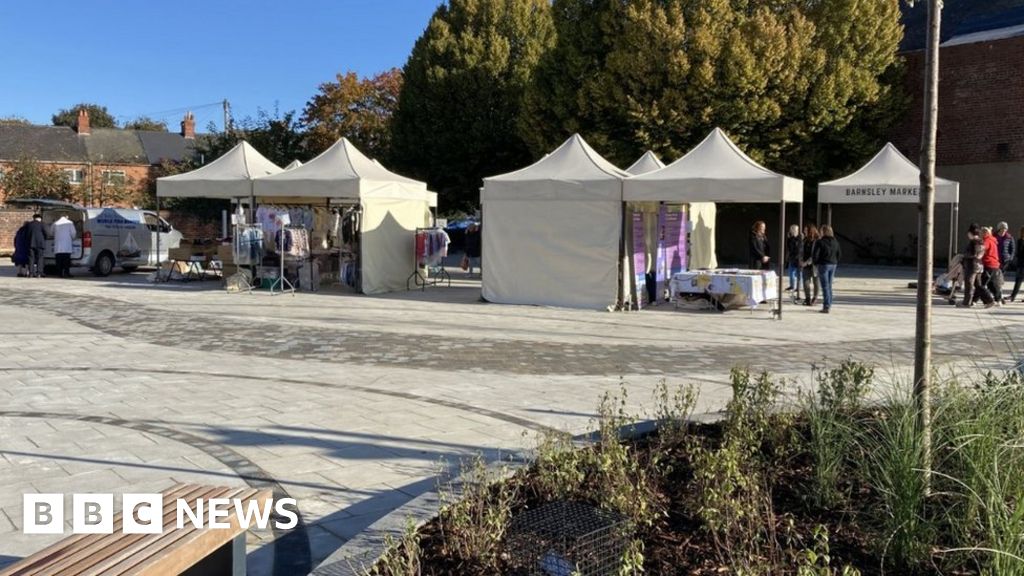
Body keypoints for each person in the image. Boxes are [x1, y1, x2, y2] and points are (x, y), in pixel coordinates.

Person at [959, 224, 996, 308]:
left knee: (969, 284)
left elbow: (974, 254)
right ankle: (989, 300)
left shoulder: (974, 242)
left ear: (970, 233)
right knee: (978, 285)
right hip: (979, 265)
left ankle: (966, 302)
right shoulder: (981, 241)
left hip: (972, 266)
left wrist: (964, 255)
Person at [813, 224, 841, 313]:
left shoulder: (820, 242)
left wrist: (816, 263)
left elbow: (815, 254)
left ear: (823, 232)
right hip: (833, 264)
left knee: (825, 286)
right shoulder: (835, 241)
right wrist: (835, 261)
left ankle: (826, 306)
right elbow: (839, 253)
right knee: (829, 285)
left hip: (823, 264)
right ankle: (829, 303)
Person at [980, 226, 1003, 305]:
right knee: (991, 284)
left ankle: (985, 300)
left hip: (988, 264)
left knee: (981, 284)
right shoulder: (993, 240)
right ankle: (998, 299)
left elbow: (982, 249)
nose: (980, 234)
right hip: (995, 264)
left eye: (981, 232)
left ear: (985, 233)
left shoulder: (986, 240)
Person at [801, 223, 820, 307]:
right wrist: (801, 260)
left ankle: (815, 298)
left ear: (810, 231)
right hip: (805, 265)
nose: (804, 231)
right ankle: (807, 298)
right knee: (806, 282)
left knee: (816, 282)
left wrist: (807, 262)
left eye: (805, 230)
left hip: (815, 265)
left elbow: (816, 255)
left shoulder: (817, 241)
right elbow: (801, 252)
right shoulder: (804, 240)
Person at [996, 221, 1015, 303]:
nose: (1004, 230)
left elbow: (1013, 249)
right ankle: (997, 294)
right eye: (1002, 228)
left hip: (1005, 261)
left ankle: (999, 294)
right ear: (999, 229)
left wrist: (1010, 258)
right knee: (996, 278)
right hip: (996, 260)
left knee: (1000, 278)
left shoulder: (1009, 238)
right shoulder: (994, 237)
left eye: (1005, 229)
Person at [25, 213, 47, 278]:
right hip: (40, 244)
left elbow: (26, 234)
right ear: (39, 218)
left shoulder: (29, 224)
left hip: (31, 244)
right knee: (40, 258)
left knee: (31, 258)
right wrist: (44, 238)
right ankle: (39, 273)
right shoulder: (42, 224)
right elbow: (46, 233)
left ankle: (31, 273)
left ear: (34, 218)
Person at [785, 224, 801, 292]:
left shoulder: (800, 238)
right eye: (791, 229)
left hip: (798, 258)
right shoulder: (790, 238)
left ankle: (798, 287)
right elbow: (789, 248)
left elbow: (798, 248)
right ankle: (792, 286)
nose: (792, 231)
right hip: (792, 258)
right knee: (791, 273)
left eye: (794, 230)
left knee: (798, 273)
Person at [1010, 226, 1024, 302]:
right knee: (1018, 280)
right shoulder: (1020, 241)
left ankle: (1013, 296)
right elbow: (1019, 253)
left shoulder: (1020, 241)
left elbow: (1019, 253)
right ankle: (1013, 296)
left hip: (1021, 264)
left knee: (1018, 280)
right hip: (1021, 264)